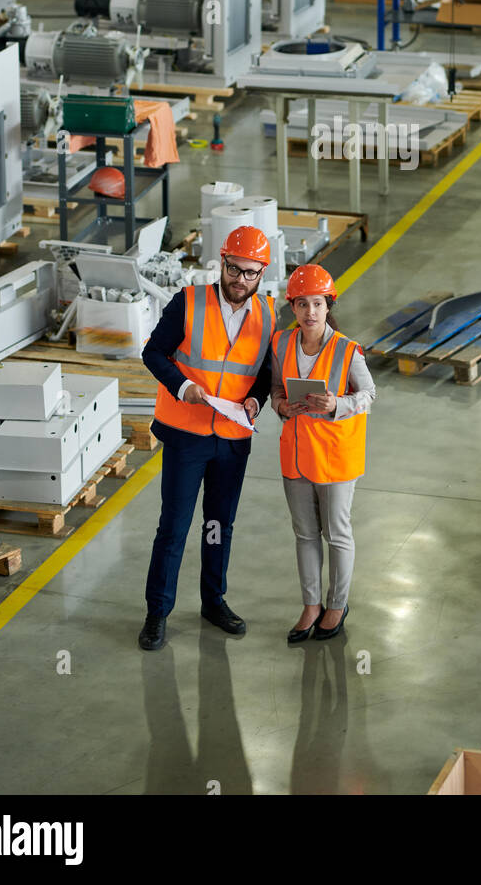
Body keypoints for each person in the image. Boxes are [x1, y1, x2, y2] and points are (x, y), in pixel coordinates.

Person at [138, 225, 276, 652]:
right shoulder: (189, 303)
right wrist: (183, 387)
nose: (240, 280)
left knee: (218, 524)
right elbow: (153, 353)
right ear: (222, 262)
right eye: (234, 269)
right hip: (186, 436)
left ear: (262, 274)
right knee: (174, 527)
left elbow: (266, 375)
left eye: (250, 273)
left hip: (233, 440)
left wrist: (255, 402)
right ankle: (157, 612)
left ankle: (213, 601)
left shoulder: (269, 315)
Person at [271, 265, 375, 644]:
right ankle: (311, 604)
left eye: (317, 304)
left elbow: (368, 395)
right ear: (293, 308)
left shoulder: (348, 350)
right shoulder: (281, 344)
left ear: (328, 306)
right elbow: (275, 392)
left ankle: (337, 604)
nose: (310, 312)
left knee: (336, 533)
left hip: (334, 457)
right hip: (296, 454)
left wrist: (336, 405)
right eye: (302, 304)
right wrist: (281, 407)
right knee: (305, 534)